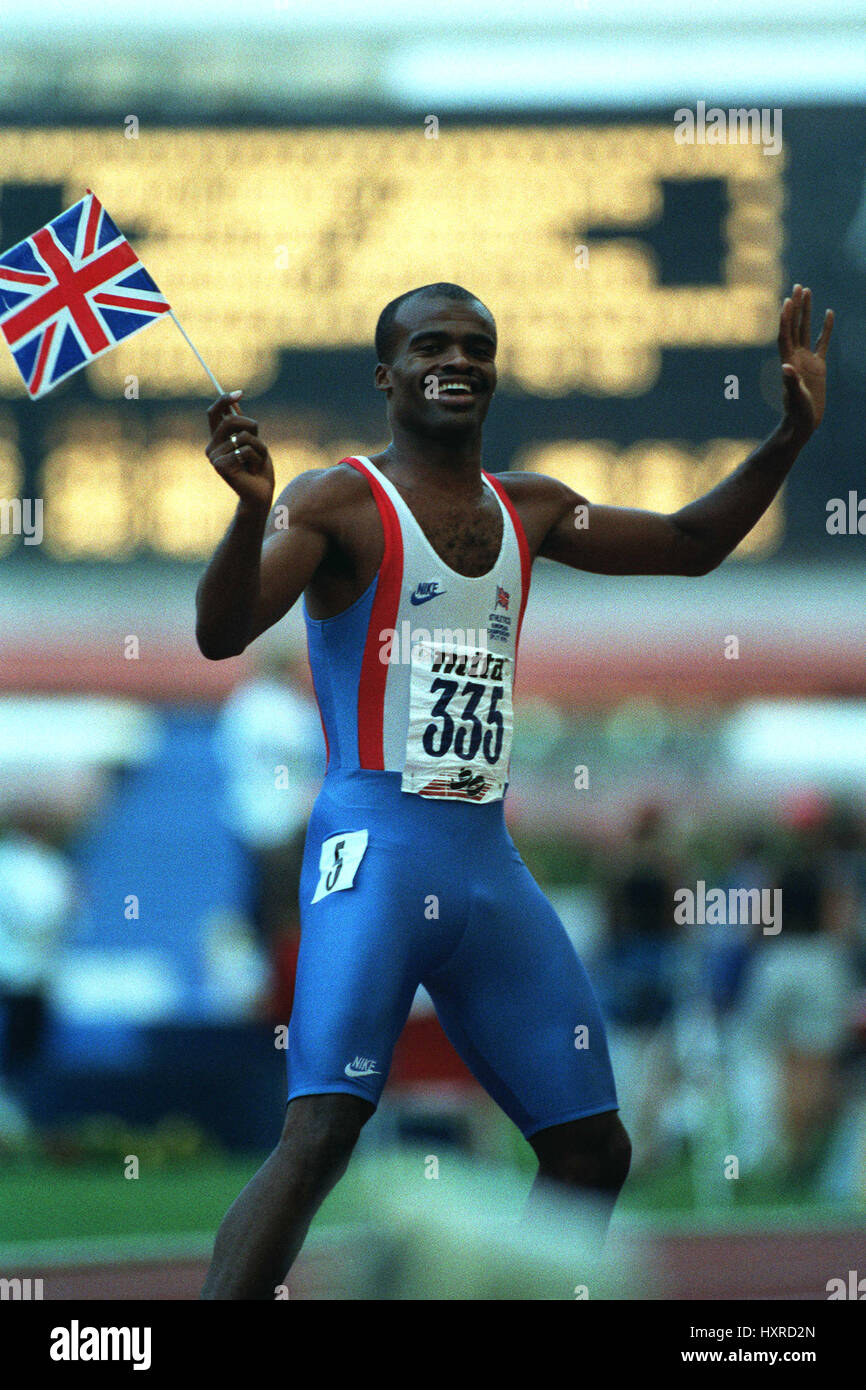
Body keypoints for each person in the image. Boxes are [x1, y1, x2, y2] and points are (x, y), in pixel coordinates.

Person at [195, 280, 833, 1298]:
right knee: (320, 1132)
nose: (455, 359)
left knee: (592, 1152)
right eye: (428, 345)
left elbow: (687, 544)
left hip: (483, 861)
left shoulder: (527, 507)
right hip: (377, 849)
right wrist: (249, 514)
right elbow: (221, 631)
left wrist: (786, 436)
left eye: (474, 345)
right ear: (384, 375)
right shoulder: (336, 501)